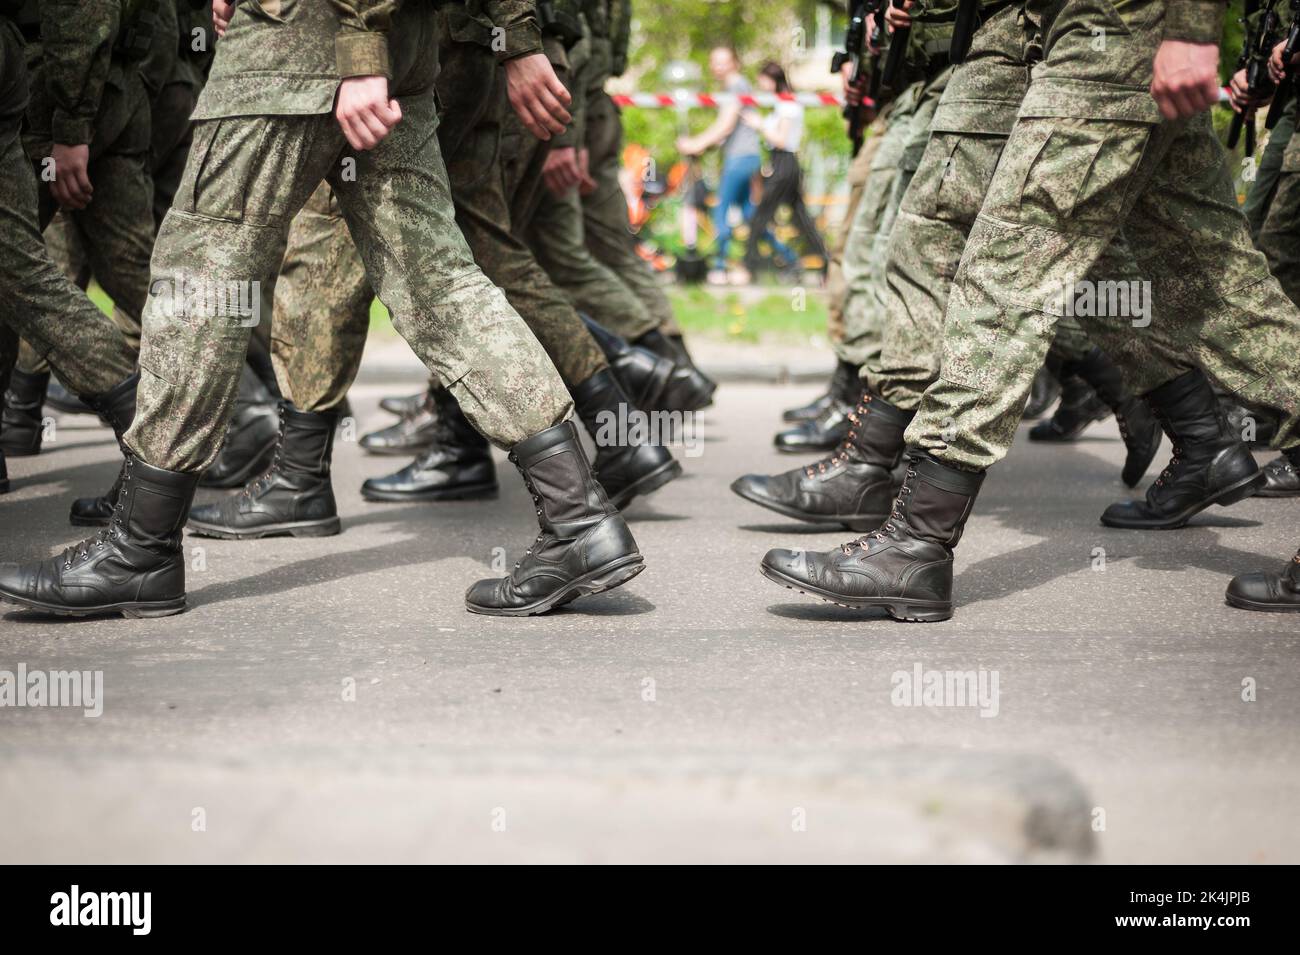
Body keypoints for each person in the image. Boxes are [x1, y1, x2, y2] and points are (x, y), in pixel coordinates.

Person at [0, 0, 647, 619]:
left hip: (303, 42)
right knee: (438, 282)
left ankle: (140, 545)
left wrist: (359, 47)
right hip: (405, 40)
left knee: (202, 267)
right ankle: (579, 518)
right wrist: (513, 32)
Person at [754, 0, 1300, 622]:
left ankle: (917, 543)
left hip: (1114, 27)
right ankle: (907, 523)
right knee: (1218, 287)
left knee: (1004, 276)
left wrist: (1191, 28)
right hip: (1053, 26)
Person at [677, 46, 763, 285]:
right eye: (715, 61)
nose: (718, 66)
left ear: (735, 62)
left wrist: (695, 144)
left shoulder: (736, 86)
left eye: (723, 61)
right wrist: (704, 145)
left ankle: (719, 267)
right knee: (749, 213)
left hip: (740, 158)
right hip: (746, 155)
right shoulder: (734, 87)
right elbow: (727, 131)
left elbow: (725, 125)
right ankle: (787, 260)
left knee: (721, 210)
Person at [739, 62, 828, 281]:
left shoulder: (788, 104)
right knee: (800, 217)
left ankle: (749, 267)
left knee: (760, 215)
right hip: (781, 163)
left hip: (785, 164)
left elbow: (782, 140)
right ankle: (826, 261)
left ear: (771, 80)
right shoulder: (780, 104)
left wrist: (760, 125)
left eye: (762, 80)